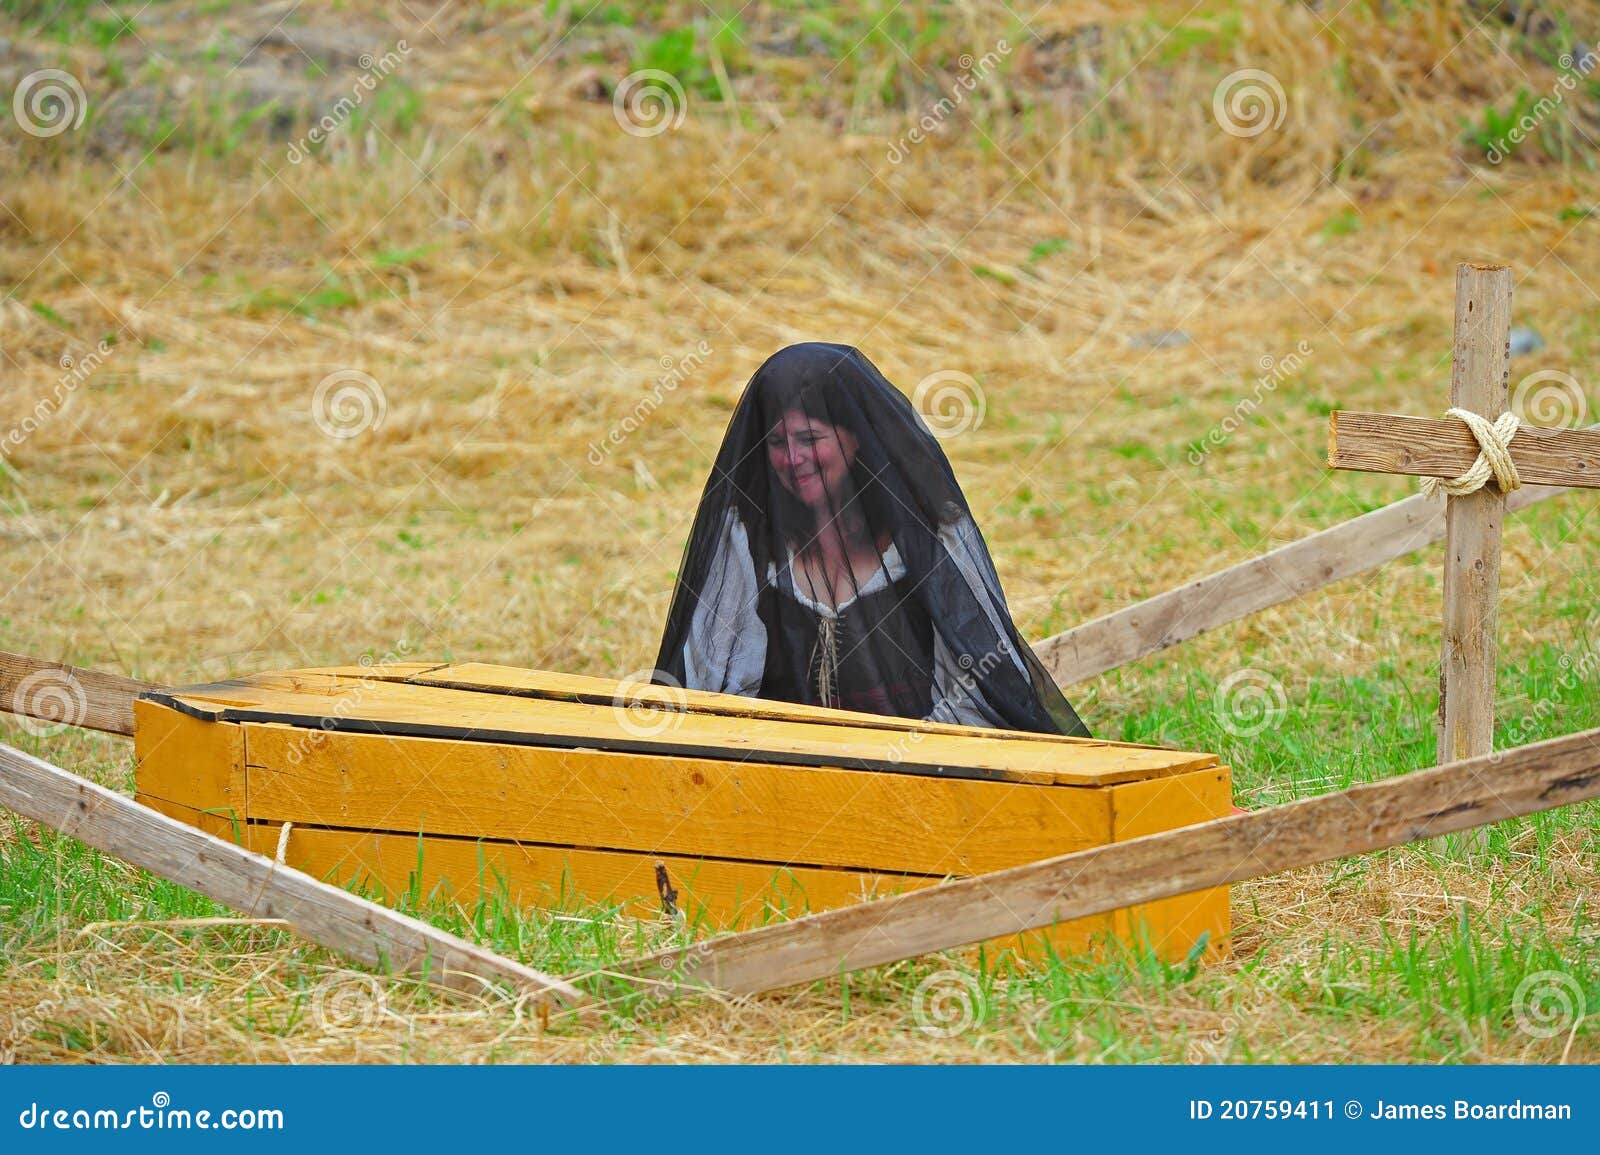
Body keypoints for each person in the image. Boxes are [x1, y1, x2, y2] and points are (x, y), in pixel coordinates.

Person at [653, 342, 1090, 736]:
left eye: (810, 438)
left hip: (922, 767)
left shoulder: (926, 536)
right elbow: (713, 688)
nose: (793, 458)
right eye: (776, 442)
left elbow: (978, 687)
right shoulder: (749, 540)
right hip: (782, 770)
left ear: (855, 437)